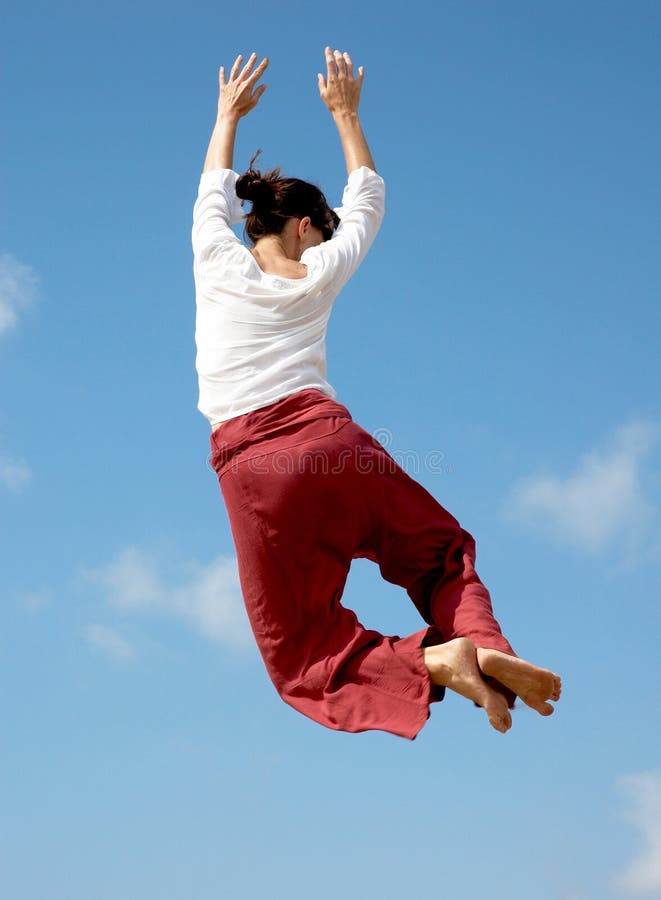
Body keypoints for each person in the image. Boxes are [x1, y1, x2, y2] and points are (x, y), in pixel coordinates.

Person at [192, 48, 561, 739]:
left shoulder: (214, 260)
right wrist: (345, 114)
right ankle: (483, 645)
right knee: (439, 552)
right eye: (322, 228)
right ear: (305, 227)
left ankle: (435, 663)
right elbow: (368, 198)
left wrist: (226, 115)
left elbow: (214, 183)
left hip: (256, 471)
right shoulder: (321, 271)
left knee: (302, 651)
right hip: (335, 446)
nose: (327, 236)